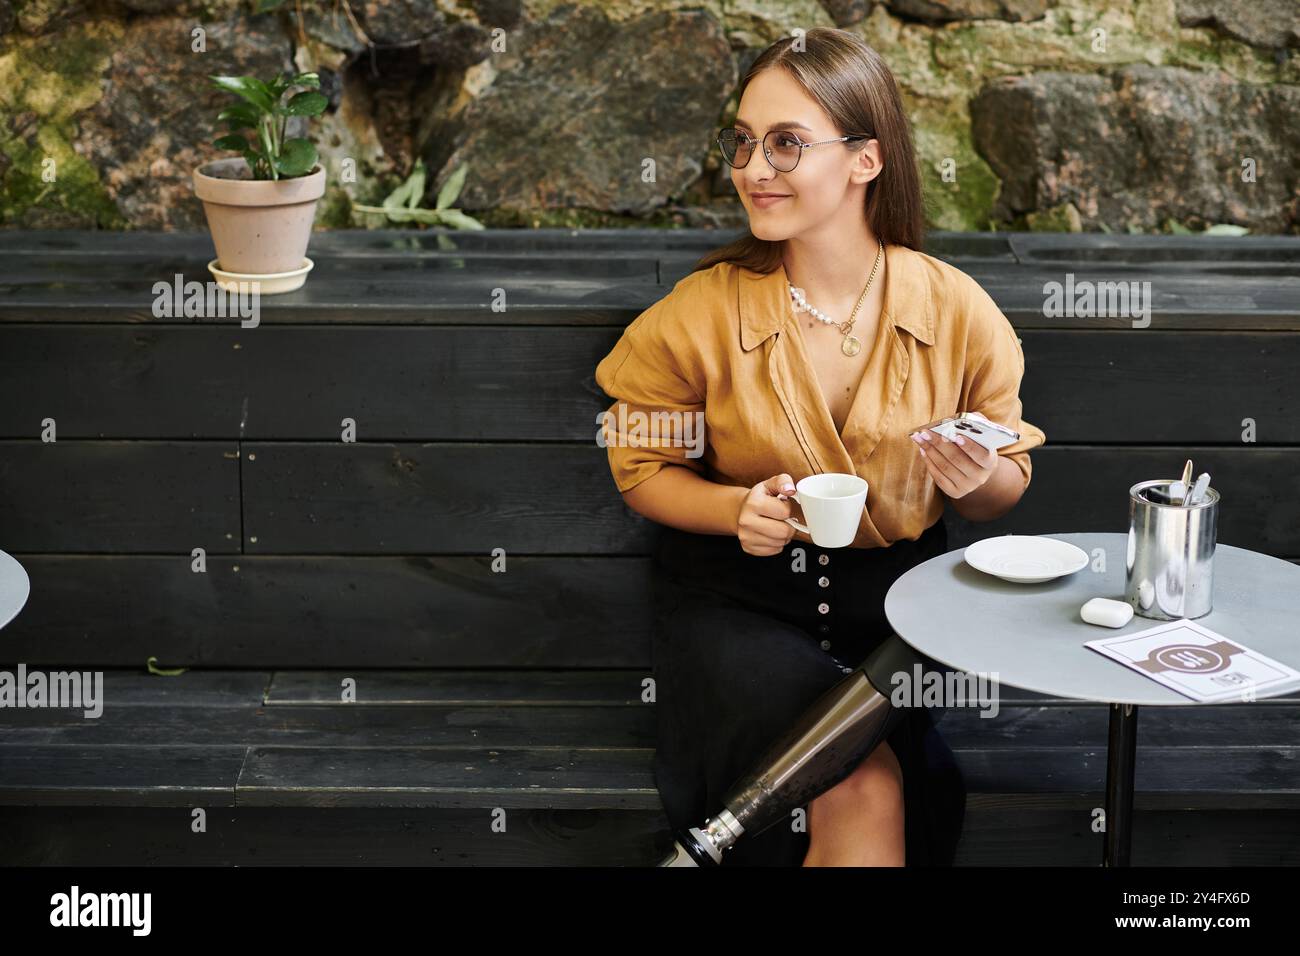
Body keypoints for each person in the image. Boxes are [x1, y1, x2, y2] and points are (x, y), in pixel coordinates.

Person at [593, 27, 1046, 866]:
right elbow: (641, 470)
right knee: (864, 787)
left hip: (898, 626)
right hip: (735, 611)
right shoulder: (700, 312)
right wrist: (736, 511)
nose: (753, 168)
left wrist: (978, 478)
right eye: (743, 143)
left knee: (893, 785)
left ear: (865, 160)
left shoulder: (955, 310)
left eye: (786, 144)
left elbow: (1005, 481)